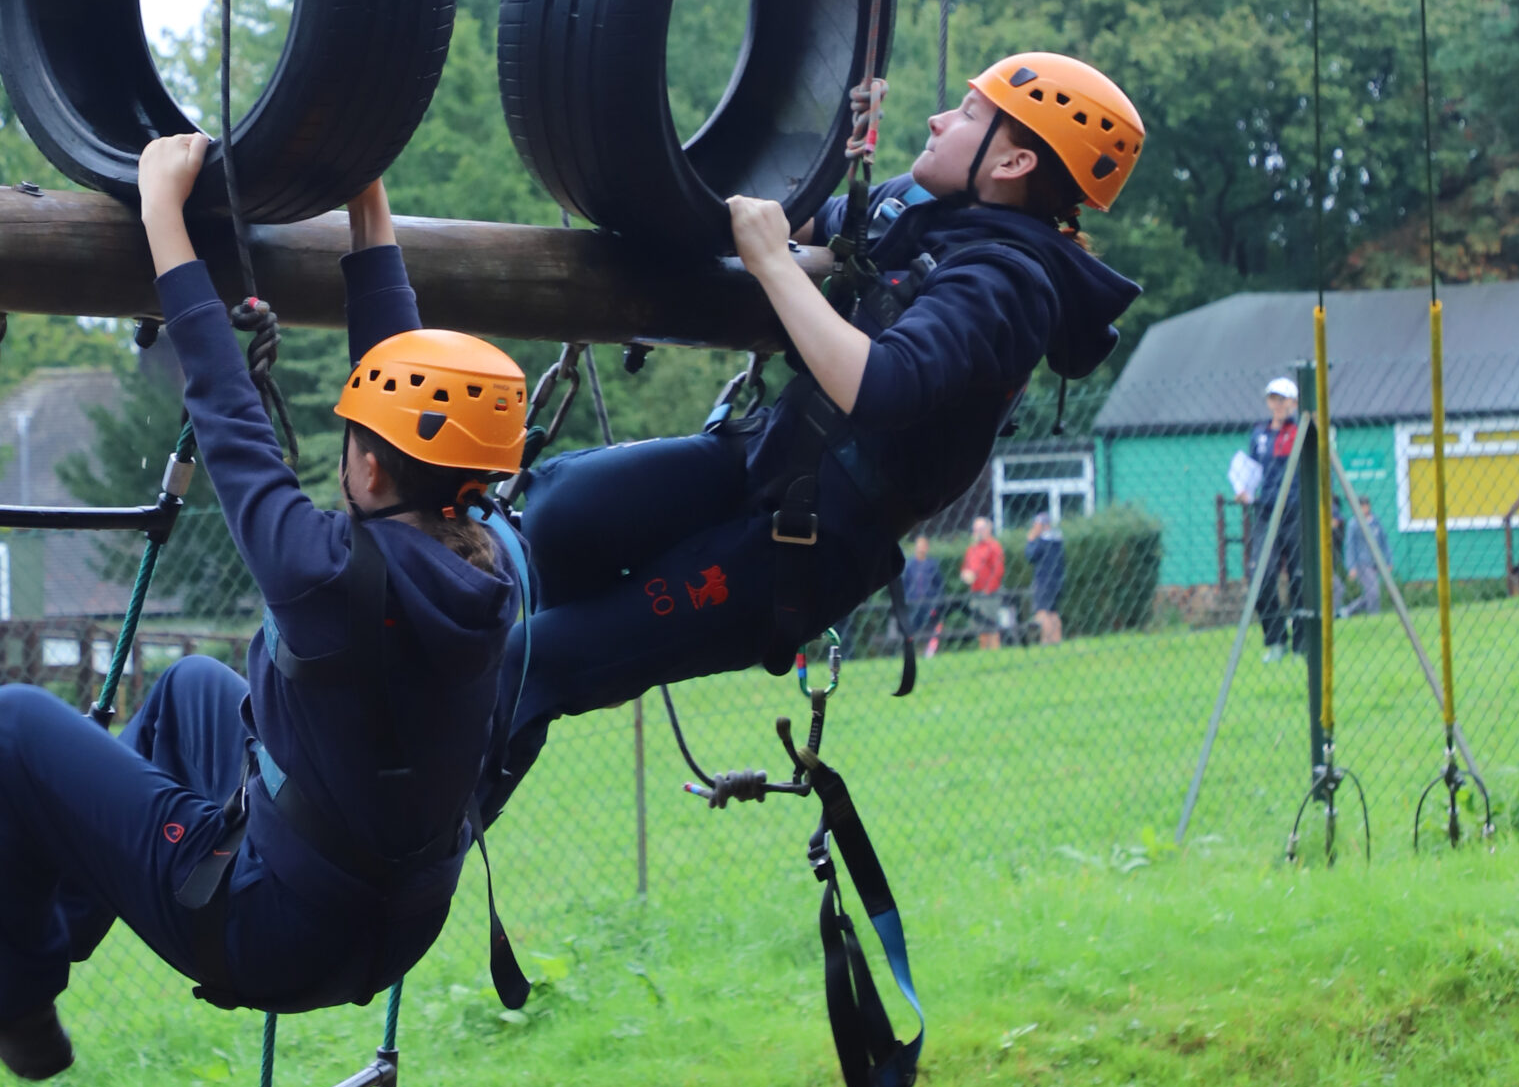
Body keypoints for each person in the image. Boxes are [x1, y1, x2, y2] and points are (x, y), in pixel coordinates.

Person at [0, 138, 527, 1080]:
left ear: (371, 469)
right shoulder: (491, 565)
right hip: (394, 919)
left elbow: (225, 407)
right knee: (190, 692)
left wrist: (164, 217)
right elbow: (398, 377)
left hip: (271, 929)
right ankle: (58, 905)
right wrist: (366, 200)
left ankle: (10, 998)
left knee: (2, 730)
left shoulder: (322, 571)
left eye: (352, 436)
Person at [481, 53, 1143, 818]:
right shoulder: (920, 209)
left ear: (1013, 162)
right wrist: (777, 167)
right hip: (767, 462)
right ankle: (548, 663)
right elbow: (793, 214)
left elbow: (884, 383)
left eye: (967, 114)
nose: (938, 120)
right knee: (560, 506)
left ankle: (418, 845)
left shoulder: (1007, 283)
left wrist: (772, 263)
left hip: (804, 547)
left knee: (532, 660)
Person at [1241, 376, 1303, 659]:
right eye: (1273, 399)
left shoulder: (1302, 431)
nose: (1278, 404)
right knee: (1261, 575)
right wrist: (1244, 491)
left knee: (1300, 578)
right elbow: (1252, 472)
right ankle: (1276, 640)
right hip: (1266, 513)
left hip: (1296, 512)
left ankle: (1303, 643)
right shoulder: (1259, 435)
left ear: (1294, 403)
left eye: (1283, 399)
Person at [960, 516, 1007, 649]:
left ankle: (994, 650)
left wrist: (988, 589)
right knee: (980, 626)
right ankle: (985, 651)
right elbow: (965, 567)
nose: (977, 532)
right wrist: (965, 575)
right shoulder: (972, 549)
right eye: (975, 529)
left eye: (980, 529)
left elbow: (998, 570)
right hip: (975, 592)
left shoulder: (994, 546)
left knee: (991, 625)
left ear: (988, 529)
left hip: (989, 593)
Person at [1024, 512, 1066, 645]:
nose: (1034, 528)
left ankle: (1046, 641)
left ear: (1044, 526)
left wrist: (1030, 541)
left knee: (1041, 611)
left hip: (1044, 581)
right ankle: (1056, 640)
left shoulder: (1043, 542)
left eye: (1036, 525)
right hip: (1056, 580)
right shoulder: (1057, 540)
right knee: (1053, 612)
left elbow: (1031, 556)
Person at [900, 534, 943, 642]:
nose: (921, 548)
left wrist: (936, 602)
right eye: (919, 545)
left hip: (929, 603)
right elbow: (905, 585)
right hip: (913, 602)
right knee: (913, 626)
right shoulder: (909, 565)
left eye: (923, 546)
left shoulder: (932, 564)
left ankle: (929, 647)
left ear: (927, 547)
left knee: (930, 628)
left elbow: (939, 585)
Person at [1344, 496, 1382, 616]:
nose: (1365, 509)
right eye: (1362, 507)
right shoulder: (1353, 524)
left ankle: (1348, 610)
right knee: (1373, 592)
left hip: (1374, 562)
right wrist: (1351, 567)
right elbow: (1350, 546)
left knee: (1371, 593)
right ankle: (1373, 615)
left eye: (1366, 506)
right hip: (1361, 562)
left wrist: (1388, 560)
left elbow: (1383, 541)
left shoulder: (1375, 522)